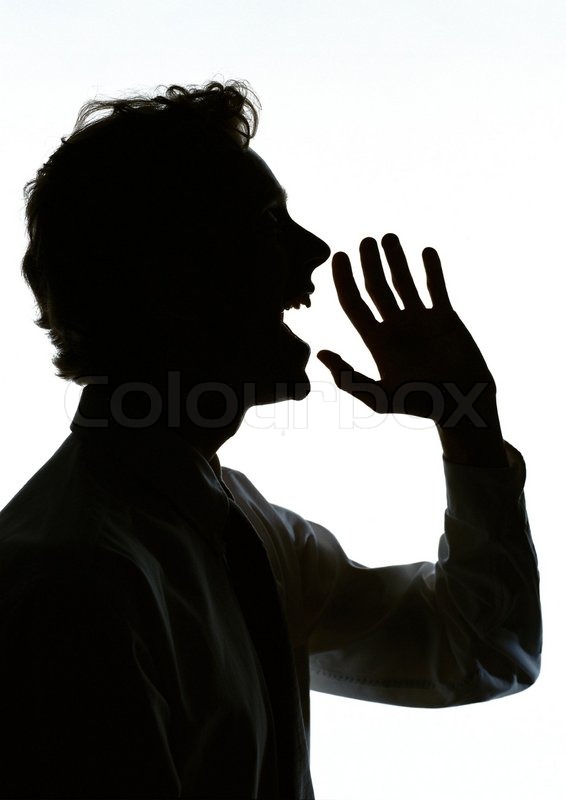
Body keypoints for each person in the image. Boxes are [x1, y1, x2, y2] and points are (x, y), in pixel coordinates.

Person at [0, 80, 541, 799]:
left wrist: (469, 425)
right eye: (266, 222)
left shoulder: (245, 532)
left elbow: (478, 650)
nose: (313, 251)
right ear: (174, 282)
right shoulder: (68, 584)